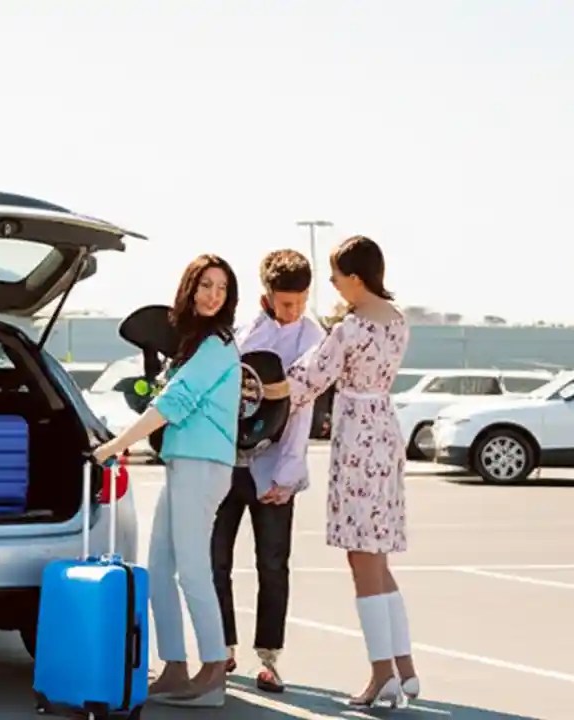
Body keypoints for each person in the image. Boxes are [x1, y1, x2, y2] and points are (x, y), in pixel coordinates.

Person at [92, 253, 242, 708]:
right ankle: (174, 665)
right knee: (159, 567)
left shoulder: (217, 345)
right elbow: (165, 398)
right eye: (206, 285)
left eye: (222, 288)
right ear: (190, 289)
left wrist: (113, 447)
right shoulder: (193, 345)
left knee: (193, 567)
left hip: (204, 465)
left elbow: (176, 402)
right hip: (182, 462)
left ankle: (214, 669)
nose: (214, 295)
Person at [284, 235, 420, 708]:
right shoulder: (398, 322)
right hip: (384, 431)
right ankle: (404, 667)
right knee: (377, 556)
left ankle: (381, 674)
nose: (334, 283)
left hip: (357, 436)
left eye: (337, 275)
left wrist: (261, 389)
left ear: (355, 278)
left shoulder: (352, 328)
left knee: (362, 558)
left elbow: (308, 378)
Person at [211, 249, 324, 693]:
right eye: (284, 302)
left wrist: (289, 476)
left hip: (277, 469)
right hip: (227, 463)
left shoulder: (314, 337)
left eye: (298, 302)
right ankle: (223, 649)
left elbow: (301, 413)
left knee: (272, 565)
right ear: (267, 295)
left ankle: (270, 658)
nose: (291, 311)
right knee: (215, 560)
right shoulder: (241, 329)